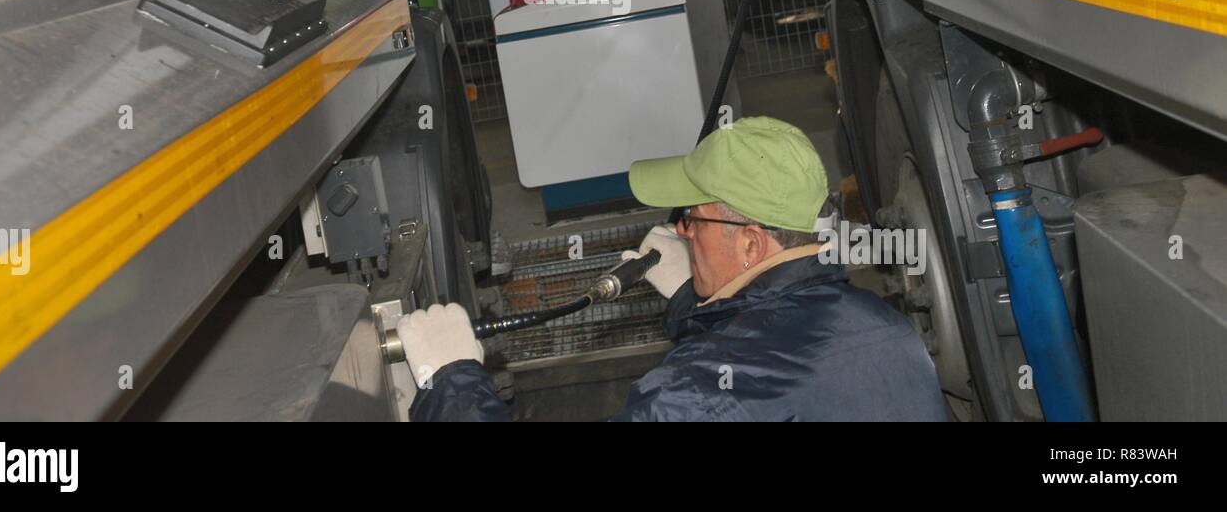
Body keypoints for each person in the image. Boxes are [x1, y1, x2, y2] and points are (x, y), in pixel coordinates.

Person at [396, 116, 947, 421]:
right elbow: (768, 351)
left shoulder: (693, 394)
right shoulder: (885, 326)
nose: (681, 230)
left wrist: (452, 381)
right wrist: (693, 296)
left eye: (692, 219)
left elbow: (733, 382)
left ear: (752, 245)